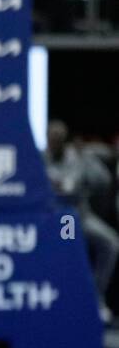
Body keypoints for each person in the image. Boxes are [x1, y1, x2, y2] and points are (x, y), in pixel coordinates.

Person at [44, 120, 118, 321]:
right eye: (52, 139)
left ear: (64, 140)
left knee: (110, 243)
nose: (55, 143)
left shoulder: (77, 156)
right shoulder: (40, 159)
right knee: (68, 247)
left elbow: (103, 182)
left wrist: (88, 163)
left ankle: (94, 296)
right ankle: (66, 299)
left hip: (80, 214)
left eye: (59, 139)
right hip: (59, 218)